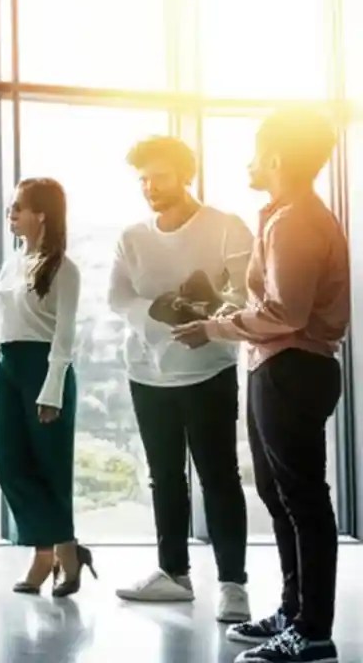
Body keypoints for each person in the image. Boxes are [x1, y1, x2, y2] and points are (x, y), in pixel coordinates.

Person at [173, 107, 347, 663]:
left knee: (302, 500)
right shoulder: (284, 216)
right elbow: (273, 307)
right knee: (278, 495)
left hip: (292, 368)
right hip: (274, 365)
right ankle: (295, 613)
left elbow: (286, 312)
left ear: (275, 158)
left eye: (254, 151)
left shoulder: (296, 220)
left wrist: (214, 328)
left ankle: (313, 632)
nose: (248, 161)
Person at [109, 135, 253, 622]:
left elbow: (247, 292)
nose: (150, 187)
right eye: (143, 179)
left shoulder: (225, 227)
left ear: (184, 174)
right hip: (147, 374)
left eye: (160, 176)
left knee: (219, 477)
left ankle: (234, 584)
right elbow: (118, 298)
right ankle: (174, 574)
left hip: (208, 369)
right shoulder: (131, 236)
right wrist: (161, 316)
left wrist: (210, 315)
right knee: (163, 478)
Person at [0, 177, 92, 597]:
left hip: (45, 370)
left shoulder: (65, 268)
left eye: (18, 208)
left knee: (51, 469)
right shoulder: (11, 263)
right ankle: (66, 548)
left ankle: (48, 556)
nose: (11, 215)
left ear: (41, 213)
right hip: (8, 369)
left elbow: (65, 336)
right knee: (10, 465)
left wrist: (52, 390)